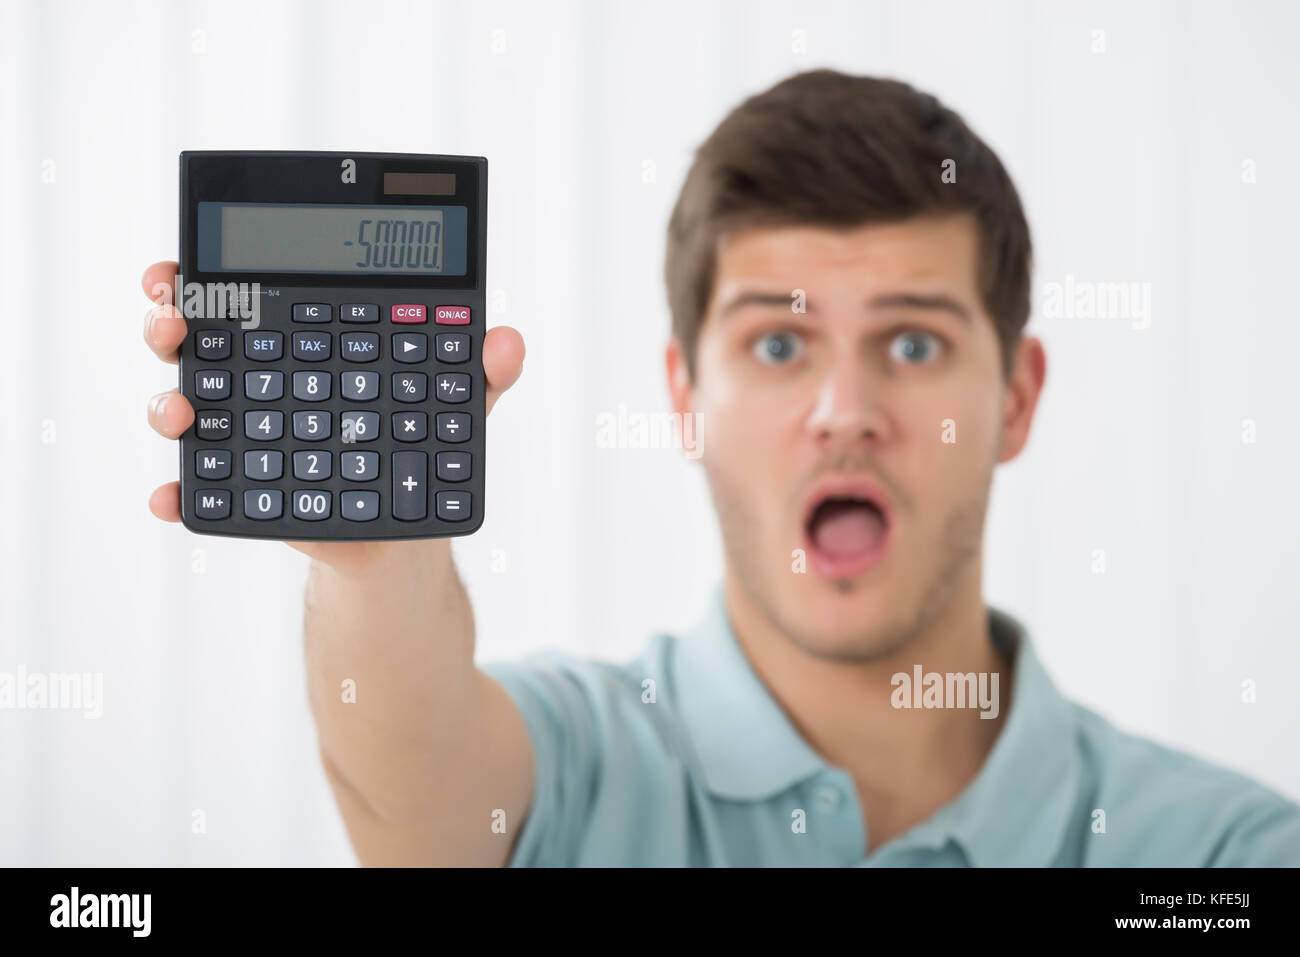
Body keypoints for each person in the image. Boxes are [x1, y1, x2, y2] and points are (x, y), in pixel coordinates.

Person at [141, 69, 1300, 866]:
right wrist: (370, 550)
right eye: (779, 343)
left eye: (912, 342)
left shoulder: (1222, 855)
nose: (845, 414)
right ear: (685, 398)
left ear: (1016, 397)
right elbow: (416, 800)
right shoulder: (581, 759)